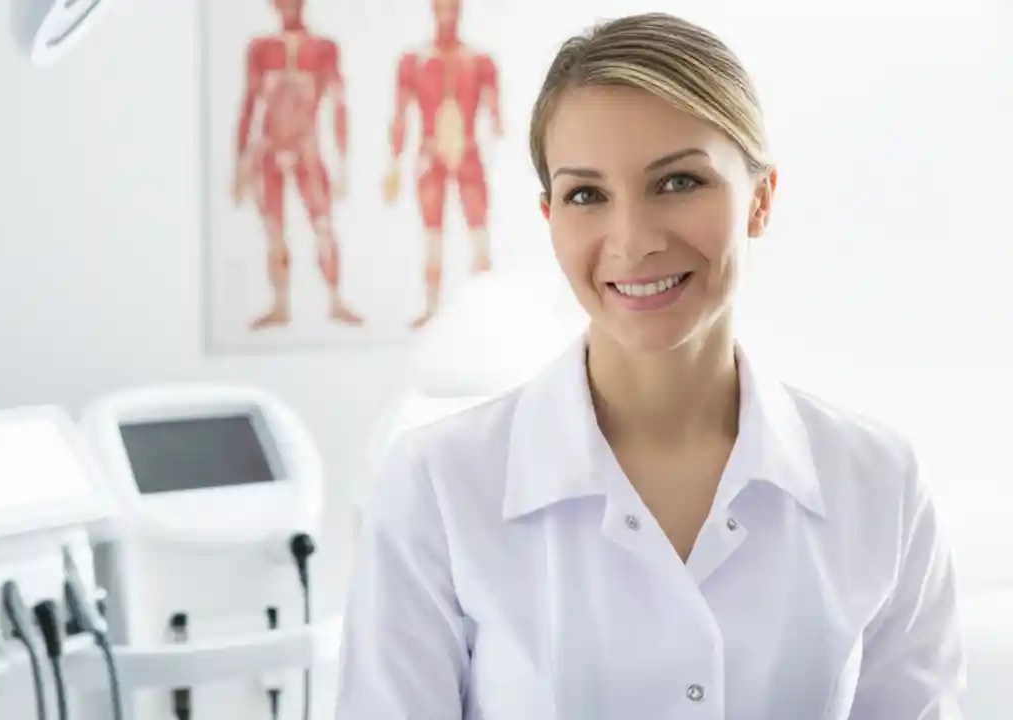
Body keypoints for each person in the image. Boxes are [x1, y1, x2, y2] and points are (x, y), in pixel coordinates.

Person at [335, 12, 965, 719]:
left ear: (760, 198)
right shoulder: (436, 489)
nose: (632, 242)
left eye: (678, 183)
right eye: (587, 195)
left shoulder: (880, 483)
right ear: (549, 217)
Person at [233, 0, 363, 331]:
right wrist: (240, 162)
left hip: (307, 149)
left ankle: (334, 299)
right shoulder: (261, 48)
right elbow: (249, 103)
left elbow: (338, 105)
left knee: (322, 225)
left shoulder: (323, 48)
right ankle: (280, 304)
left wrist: (342, 161)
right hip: (269, 150)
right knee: (274, 230)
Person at [384, 0, 502, 330]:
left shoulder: (479, 61)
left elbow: (496, 119)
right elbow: (400, 115)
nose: (448, 16)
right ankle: (431, 307)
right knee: (432, 231)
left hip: (467, 151)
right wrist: (393, 163)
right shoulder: (415, 61)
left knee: (478, 228)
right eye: (442, 8)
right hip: (430, 153)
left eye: (453, 8)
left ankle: (485, 308)